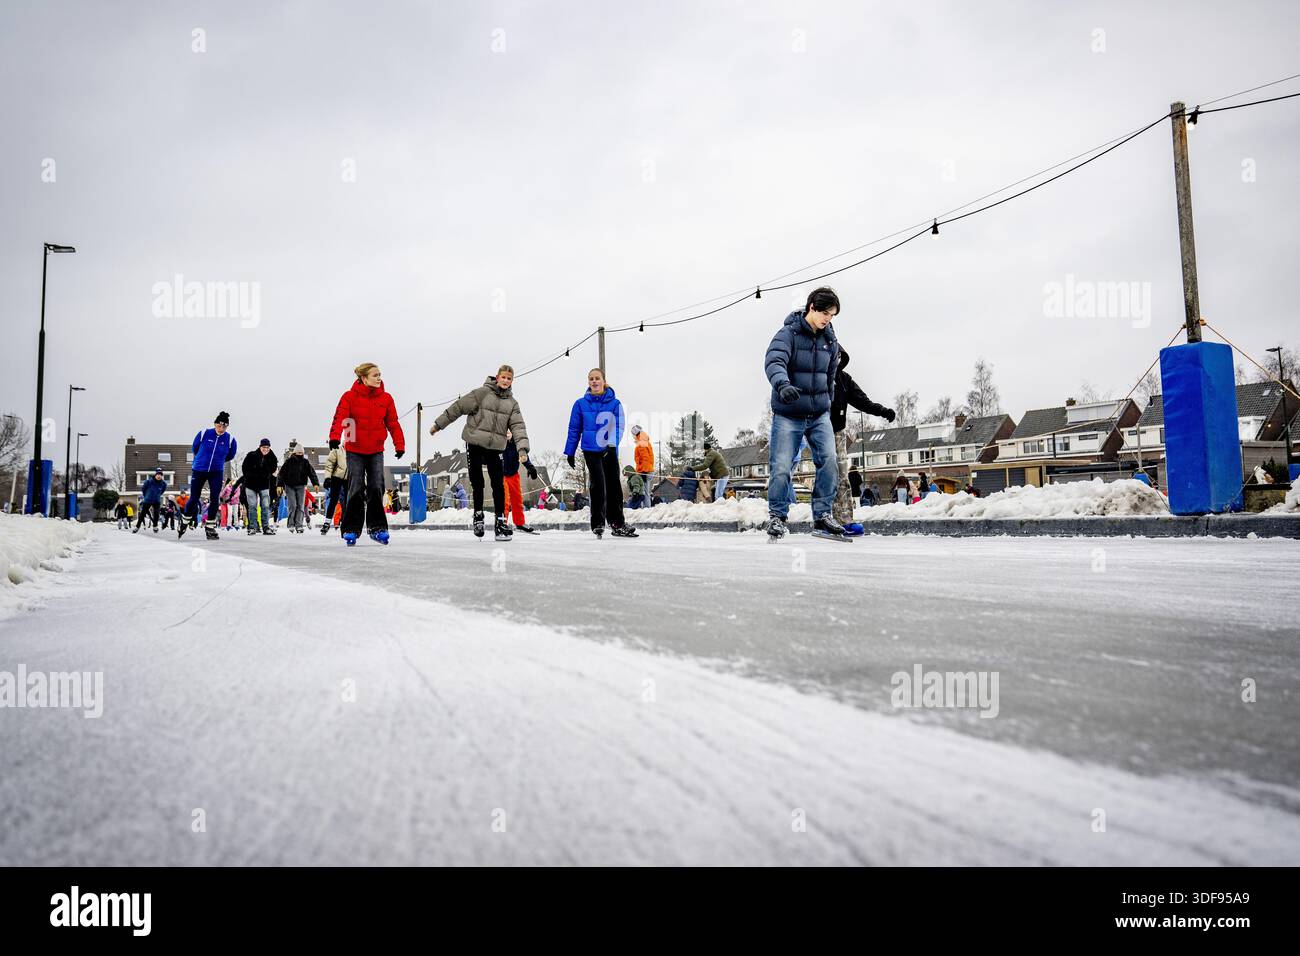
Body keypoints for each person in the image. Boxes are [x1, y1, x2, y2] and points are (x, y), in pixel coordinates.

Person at [763, 287, 844, 539]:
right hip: (789, 412)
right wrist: (782, 384)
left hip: (819, 413)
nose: (827, 319)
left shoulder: (830, 340)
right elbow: (774, 361)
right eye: (825, 313)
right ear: (812, 307)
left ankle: (822, 515)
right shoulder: (788, 334)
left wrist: (828, 401)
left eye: (831, 315)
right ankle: (777, 517)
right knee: (782, 466)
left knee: (830, 461)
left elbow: (831, 373)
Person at [430, 364, 531, 542]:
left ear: (512, 381)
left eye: (509, 378)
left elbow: (518, 427)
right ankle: (478, 516)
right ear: (497, 377)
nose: (506, 381)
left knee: (498, 484)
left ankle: (500, 521)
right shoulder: (481, 393)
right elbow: (459, 407)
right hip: (475, 442)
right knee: (477, 482)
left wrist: (522, 450)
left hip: (495, 447)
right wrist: (439, 424)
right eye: (503, 377)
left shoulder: (512, 404)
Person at [330, 362, 406, 546]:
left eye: (380, 374)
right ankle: (350, 529)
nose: (379, 378)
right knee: (355, 488)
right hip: (355, 450)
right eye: (375, 375)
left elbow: (393, 423)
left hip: (376, 450)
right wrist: (334, 437)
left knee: (376, 487)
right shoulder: (349, 397)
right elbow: (340, 417)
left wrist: (399, 445)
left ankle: (377, 527)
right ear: (364, 378)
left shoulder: (386, 398)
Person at [564, 368, 637, 539]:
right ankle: (597, 523)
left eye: (597, 378)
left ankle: (617, 523)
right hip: (590, 450)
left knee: (613, 486)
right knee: (597, 485)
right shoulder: (580, 404)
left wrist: (611, 443)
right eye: (591, 379)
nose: (594, 381)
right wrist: (570, 451)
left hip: (608, 450)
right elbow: (574, 429)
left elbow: (618, 425)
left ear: (604, 381)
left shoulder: (614, 403)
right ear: (588, 382)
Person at [181, 411, 238, 540]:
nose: (221, 429)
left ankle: (210, 527)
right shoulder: (204, 434)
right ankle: (184, 521)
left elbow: (230, 455)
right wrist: (202, 459)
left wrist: (218, 460)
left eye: (224, 426)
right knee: (194, 497)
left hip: (216, 472)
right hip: (199, 470)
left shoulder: (230, 439)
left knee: (214, 499)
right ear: (215, 424)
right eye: (219, 425)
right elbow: (195, 448)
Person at [501, 430, 541, 534]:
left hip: (514, 474)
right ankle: (502, 523)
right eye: (505, 432)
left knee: (517, 499)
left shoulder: (516, 444)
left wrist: (530, 467)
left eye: (509, 432)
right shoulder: (499, 443)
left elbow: (523, 456)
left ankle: (519, 523)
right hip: (502, 475)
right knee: (504, 500)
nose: (507, 434)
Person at [241, 439, 279, 535]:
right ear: (260, 447)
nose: (265, 449)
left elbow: (273, 469)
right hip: (250, 484)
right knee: (252, 506)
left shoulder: (272, 457)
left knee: (265, 506)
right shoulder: (251, 455)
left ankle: (265, 526)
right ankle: (253, 527)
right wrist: (249, 476)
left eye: (267, 447)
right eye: (263, 447)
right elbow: (244, 467)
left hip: (264, 485)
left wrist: (266, 473)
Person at [279, 445, 319, 533]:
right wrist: (279, 485)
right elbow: (281, 474)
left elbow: (312, 473)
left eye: (301, 453)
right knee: (293, 505)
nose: (300, 454)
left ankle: (299, 525)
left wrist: (315, 483)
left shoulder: (305, 462)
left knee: (301, 505)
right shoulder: (288, 461)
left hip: (301, 486)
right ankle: (291, 524)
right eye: (298, 452)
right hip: (289, 486)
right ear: (294, 453)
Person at [320, 439, 348, 535]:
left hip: (349, 479)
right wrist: (327, 478)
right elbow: (329, 465)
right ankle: (327, 523)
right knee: (333, 500)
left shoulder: (354, 453)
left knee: (347, 502)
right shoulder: (337, 450)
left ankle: (345, 524)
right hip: (336, 478)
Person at [133, 468, 167, 533]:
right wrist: (146, 496)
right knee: (142, 514)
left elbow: (162, 491)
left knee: (156, 514)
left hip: (156, 500)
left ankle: (155, 526)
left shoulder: (163, 484)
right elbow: (143, 489)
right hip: (147, 500)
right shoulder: (148, 482)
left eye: (160, 474)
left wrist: (158, 495)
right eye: (158, 474)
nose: (159, 476)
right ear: (155, 474)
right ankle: (137, 526)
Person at [632, 424, 654, 508]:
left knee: (644, 492)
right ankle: (645, 508)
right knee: (644, 491)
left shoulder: (641, 442)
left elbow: (645, 458)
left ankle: (647, 509)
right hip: (646, 470)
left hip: (645, 471)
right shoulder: (644, 440)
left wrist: (644, 471)